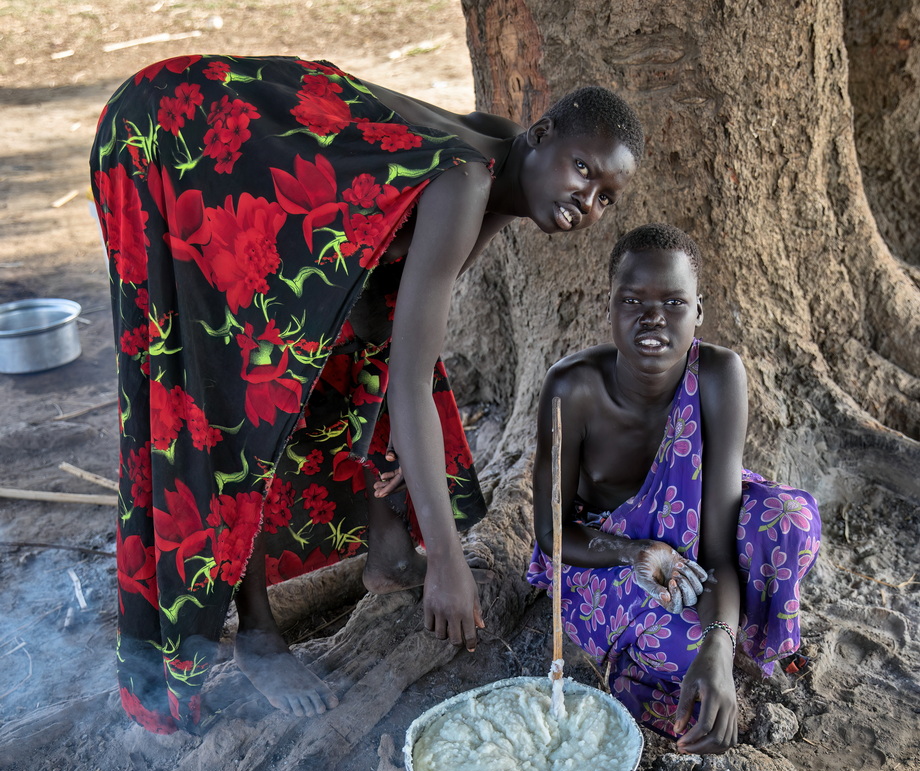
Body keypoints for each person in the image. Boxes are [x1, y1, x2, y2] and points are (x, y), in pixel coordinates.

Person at [90, 54, 645, 734]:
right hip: (174, 137)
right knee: (238, 391)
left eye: (606, 197)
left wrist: (397, 498)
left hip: (207, 131)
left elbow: (388, 321)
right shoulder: (467, 180)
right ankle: (257, 633)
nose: (588, 202)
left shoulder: (504, 162)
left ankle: (386, 549)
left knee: (358, 340)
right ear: (543, 134)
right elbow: (411, 380)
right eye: (584, 170)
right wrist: (447, 560)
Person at [527, 223, 821, 754]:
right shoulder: (572, 388)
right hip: (605, 554)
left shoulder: (718, 375)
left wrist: (718, 645)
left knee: (788, 521)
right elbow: (551, 535)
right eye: (632, 300)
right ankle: (709, 643)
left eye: (674, 302)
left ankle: (735, 642)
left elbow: (718, 551)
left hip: (699, 541)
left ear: (698, 312)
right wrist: (633, 551)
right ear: (609, 307)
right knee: (682, 647)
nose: (653, 318)